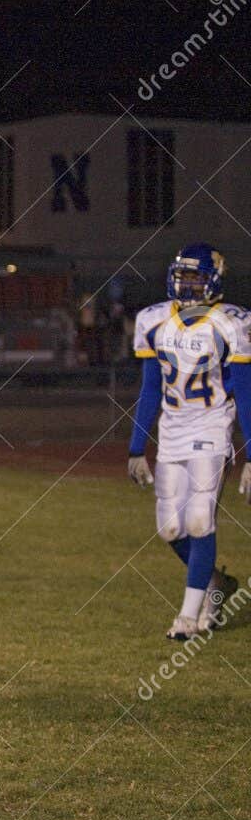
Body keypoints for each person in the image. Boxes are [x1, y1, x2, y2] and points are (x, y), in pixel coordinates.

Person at [127, 243, 251, 640]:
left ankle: (187, 618)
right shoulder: (153, 320)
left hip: (212, 426)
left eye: (196, 277)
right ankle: (216, 583)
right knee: (169, 528)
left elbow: (246, 392)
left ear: (213, 280)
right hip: (172, 431)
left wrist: (250, 455)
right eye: (183, 276)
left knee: (199, 519)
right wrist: (136, 447)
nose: (187, 284)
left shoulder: (231, 323)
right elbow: (150, 389)